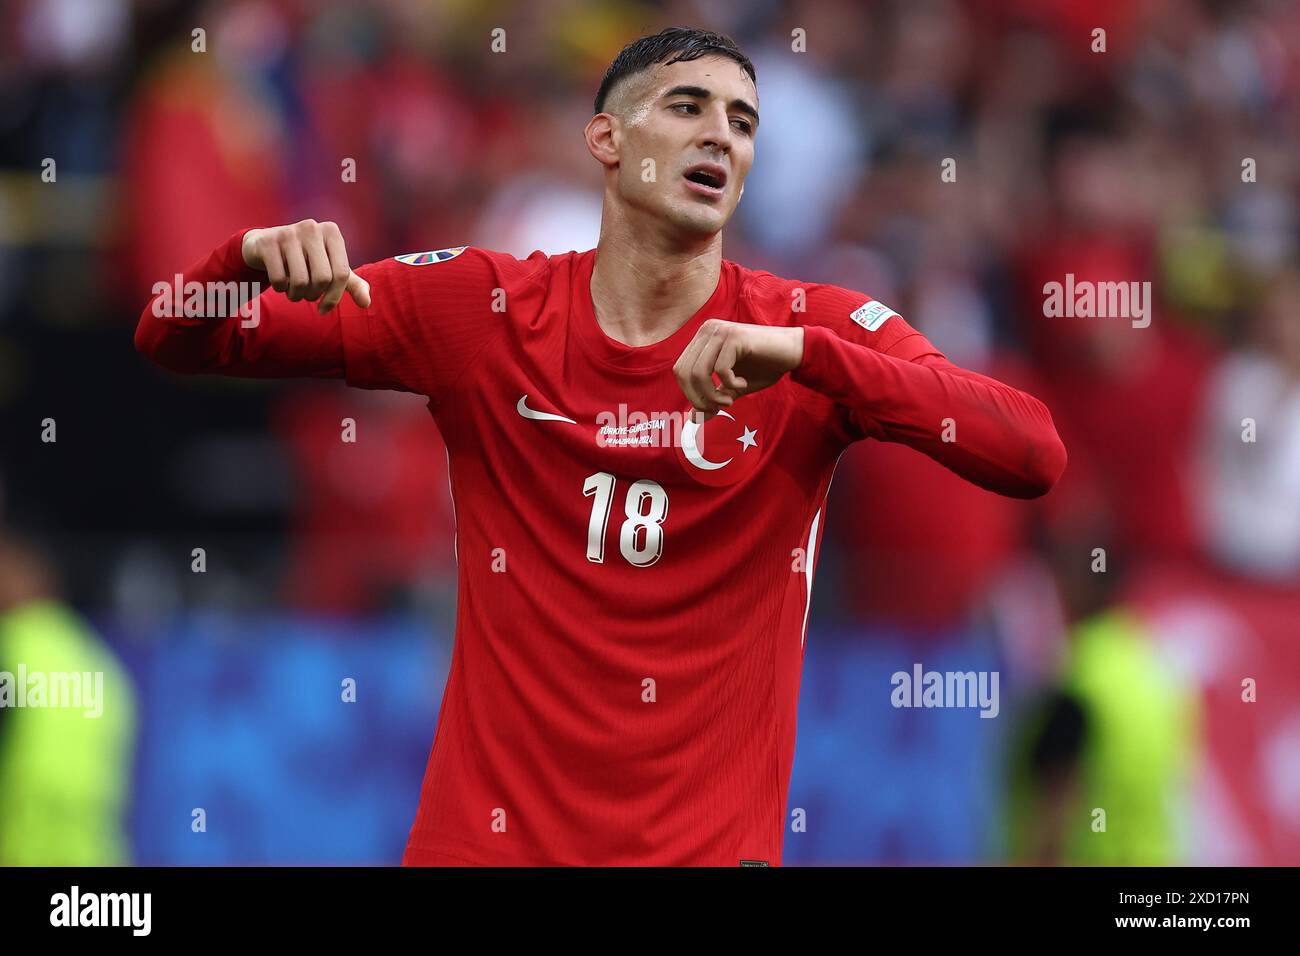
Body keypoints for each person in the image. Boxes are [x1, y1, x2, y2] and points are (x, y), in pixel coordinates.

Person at [135, 27, 1066, 866]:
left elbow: (1031, 452)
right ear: (606, 141)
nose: (722, 135)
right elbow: (176, 336)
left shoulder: (802, 332)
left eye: (743, 121)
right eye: (688, 106)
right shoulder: (481, 309)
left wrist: (821, 361)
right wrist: (243, 260)